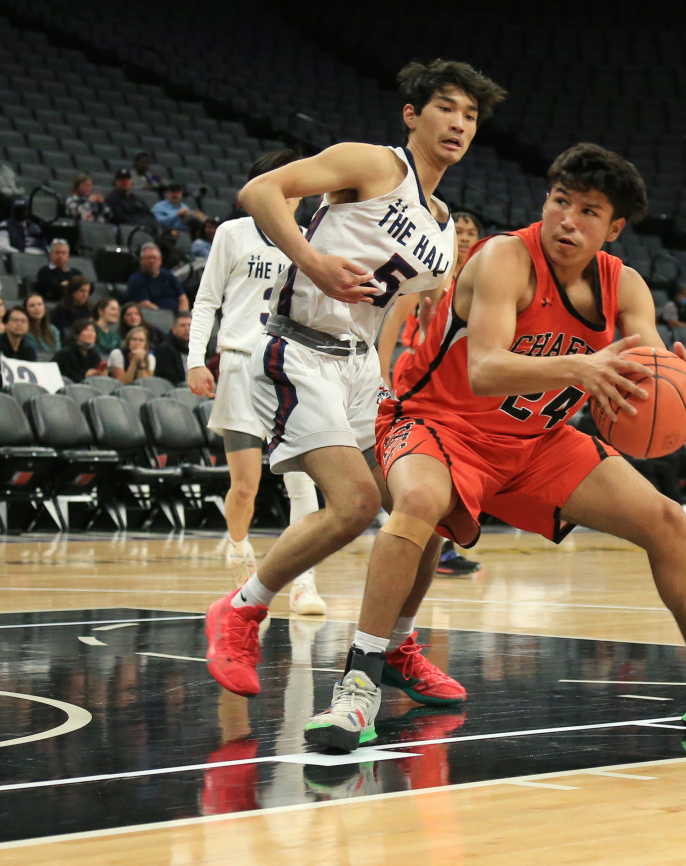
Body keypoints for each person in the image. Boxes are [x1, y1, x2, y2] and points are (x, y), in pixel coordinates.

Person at [302, 141, 686, 751]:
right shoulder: (506, 258)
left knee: (668, 521)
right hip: (440, 423)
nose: (568, 219)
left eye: (589, 211)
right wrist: (580, 368)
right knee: (420, 503)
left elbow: (647, 370)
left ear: (614, 228)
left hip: (536, 442)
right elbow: (484, 368)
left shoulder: (627, 286)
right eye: (560, 201)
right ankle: (359, 686)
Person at [204, 60, 509, 714]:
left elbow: (400, 309)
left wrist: (398, 377)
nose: (458, 123)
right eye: (445, 108)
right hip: (296, 347)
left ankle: (397, 645)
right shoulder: (371, 164)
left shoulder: (439, 229)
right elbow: (260, 191)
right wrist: (312, 260)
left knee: (430, 501)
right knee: (351, 503)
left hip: (360, 368)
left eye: (471, 115)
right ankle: (241, 609)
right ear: (412, 114)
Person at [187, 149, 325, 615]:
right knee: (245, 487)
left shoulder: (311, 239)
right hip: (241, 362)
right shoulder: (232, 233)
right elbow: (206, 301)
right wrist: (195, 360)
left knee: (302, 482)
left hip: (291, 364)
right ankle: (239, 547)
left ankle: (304, 582)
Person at [378, 209, 485, 576]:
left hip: (462, 378)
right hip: (419, 369)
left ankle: (441, 544)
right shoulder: (431, 270)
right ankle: (414, 533)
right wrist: (381, 377)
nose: (467, 237)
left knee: (457, 464)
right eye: (462, 231)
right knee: (432, 459)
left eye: (473, 232)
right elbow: (394, 321)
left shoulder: (485, 280)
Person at [126, 243, 189, 312]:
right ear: (141, 260)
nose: (151, 261)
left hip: (177, 316)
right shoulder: (136, 280)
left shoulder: (168, 275)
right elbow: (145, 304)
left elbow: (182, 298)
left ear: (160, 260)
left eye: (154, 258)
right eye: (148, 258)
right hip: (155, 317)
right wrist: (166, 316)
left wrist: (182, 315)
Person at [53, 319, 107, 383]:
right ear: (76, 335)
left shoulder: (94, 355)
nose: (90, 334)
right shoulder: (65, 354)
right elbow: (65, 376)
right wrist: (85, 375)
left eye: (92, 331)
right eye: (86, 330)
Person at [153, 311, 191, 384]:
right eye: (182, 325)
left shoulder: (197, 349)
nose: (187, 329)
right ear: (173, 328)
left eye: (190, 325)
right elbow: (169, 380)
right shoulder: (164, 350)